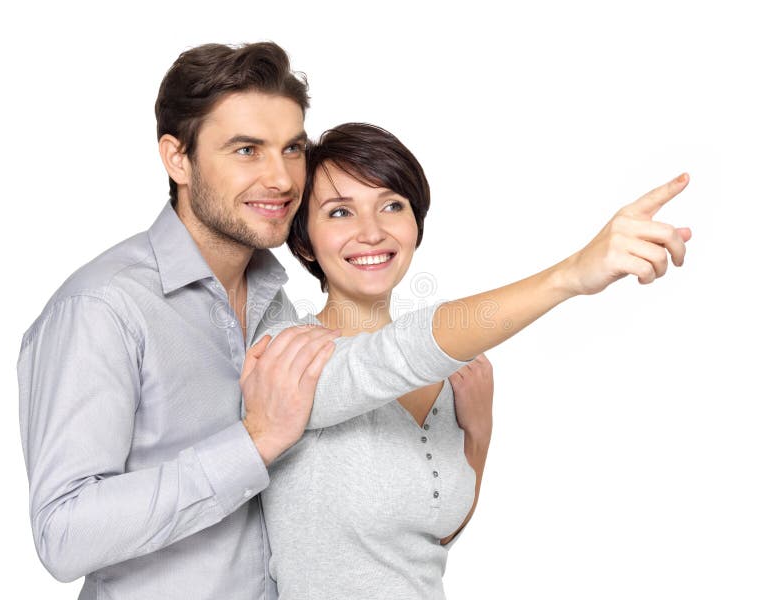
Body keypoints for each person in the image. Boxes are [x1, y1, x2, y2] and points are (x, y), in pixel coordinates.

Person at [17, 41, 490, 600]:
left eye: (291, 149)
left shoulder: (279, 307)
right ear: (177, 159)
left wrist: (474, 438)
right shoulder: (102, 308)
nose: (283, 179)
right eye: (247, 150)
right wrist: (255, 441)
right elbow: (63, 535)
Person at [249, 123, 691, 598]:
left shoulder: (450, 379)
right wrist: (571, 275)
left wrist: (479, 433)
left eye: (392, 205)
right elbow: (395, 355)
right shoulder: (287, 354)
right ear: (303, 242)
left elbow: (432, 536)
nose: (372, 231)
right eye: (340, 212)